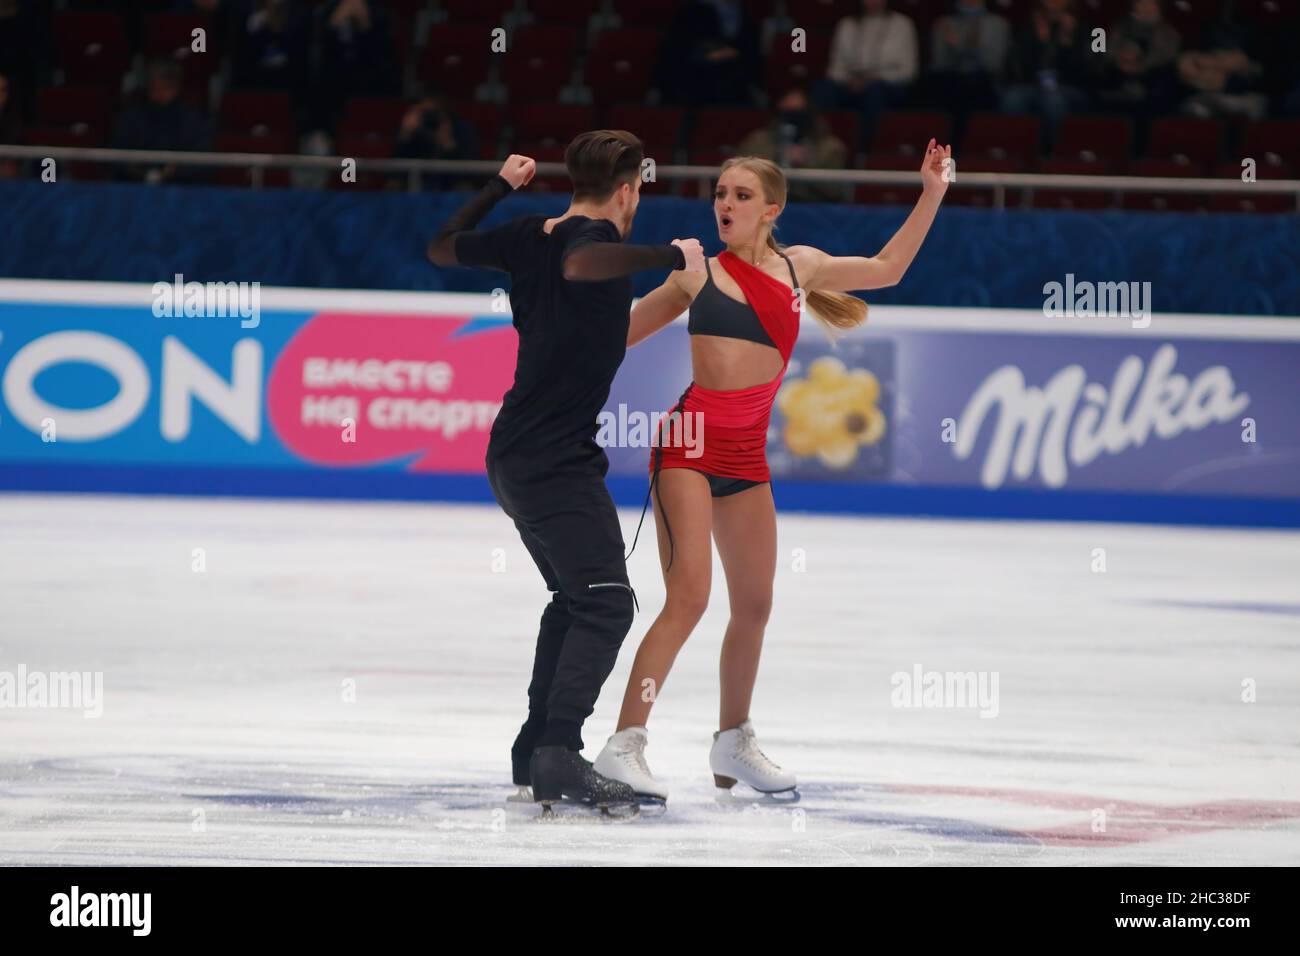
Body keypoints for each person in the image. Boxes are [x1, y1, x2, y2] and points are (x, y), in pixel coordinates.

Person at [594, 141, 952, 802]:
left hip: (746, 458)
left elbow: (889, 268)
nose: (725, 205)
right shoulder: (693, 274)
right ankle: (624, 743)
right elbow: (610, 336)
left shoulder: (802, 268)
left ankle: (732, 740)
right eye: (720, 194)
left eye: (740, 196)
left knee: (755, 605)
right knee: (690, 599)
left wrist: (932, 190)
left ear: (771, 209)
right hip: (690, 447)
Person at [427, 133, 706, 810]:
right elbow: (582, 261)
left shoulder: (528, 233)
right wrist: (675, 256)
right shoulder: (586, 244)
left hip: (519, 451)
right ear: (628, 191)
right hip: (551, 460)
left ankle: (535, 749)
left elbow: (441, 245)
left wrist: (499, 185)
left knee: (576, 599)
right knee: (607, 603)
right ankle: (558, 753)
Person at [817, 0, 918, 139]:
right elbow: (835, 68)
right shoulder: (846, 25)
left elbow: (908, 71)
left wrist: (875, 78)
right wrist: (850, 81)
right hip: (850, 82)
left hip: (888, 84)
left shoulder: (902, 24)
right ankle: (827, 144)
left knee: (875, 93)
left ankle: (865, 150)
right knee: (823, 88)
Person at [738, 87, 849, 203]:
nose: (793, 118)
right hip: (764, 206)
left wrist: (807, 166)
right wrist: (777, 160)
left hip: (813, 208)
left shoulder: (830, 147)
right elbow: (739, 179)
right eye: (787, 112)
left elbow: (836, 189)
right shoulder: (758, 141)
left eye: (798, 112)